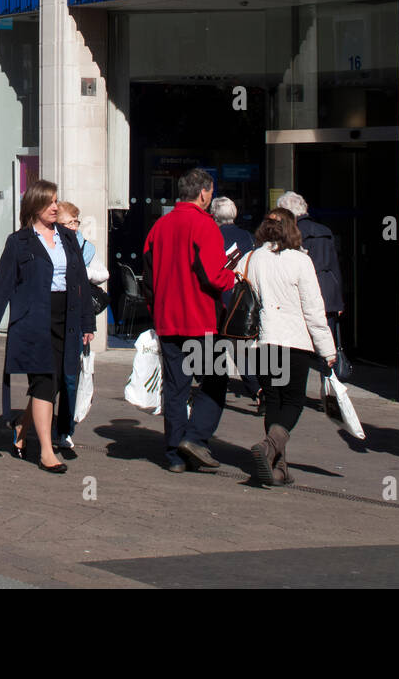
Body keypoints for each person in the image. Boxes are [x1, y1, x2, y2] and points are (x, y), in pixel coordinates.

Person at [0, 179, 95, 474]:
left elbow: (80, 282)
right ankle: (46, 451)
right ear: (34, 206)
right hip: (34, 321)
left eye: (57, 201)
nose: (55, 207)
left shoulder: (68, 238)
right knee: (44, 382)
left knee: (54, 383)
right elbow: (2, 286)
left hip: (65, 319)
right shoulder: (19, 242)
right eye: (50, 202)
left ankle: (21, 426)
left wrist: (87, 321)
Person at [141, 168, 238, 473]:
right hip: (200, 319)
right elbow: (213, 276)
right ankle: (195, 438)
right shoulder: (205, 225)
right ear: (203, 193)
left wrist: (155, 311)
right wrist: (232, 275)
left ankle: (174, 453)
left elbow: (148, 278)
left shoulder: (160, 226)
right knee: (214, 380)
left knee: (175, 387)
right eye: (210, 192)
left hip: (168, 319)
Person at [237, 209, 337, 486]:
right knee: (293, 402)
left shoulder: (251, 258)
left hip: (264, 341)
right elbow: (314, 309)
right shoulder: (300, 261)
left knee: (274, 401)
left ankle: (278, 468)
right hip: (294, 342)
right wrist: (328, 350)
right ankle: (270, 447)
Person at [55, 200, 105, 452]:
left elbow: (87, 289)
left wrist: (89, 325)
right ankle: (36, 423)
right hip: (53, 321)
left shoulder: (83, 248)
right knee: (49, 381)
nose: (74, 227)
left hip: (75, 322)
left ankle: (65, 429)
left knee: (71, 379)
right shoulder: (50, 247)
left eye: (76, 221)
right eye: (69, 222)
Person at [277, 191, 345, 354]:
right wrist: (339, 300)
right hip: (327, 293)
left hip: (302, 294)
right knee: (327, 345)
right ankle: (329, 378)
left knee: (300, 348)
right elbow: (335, 266)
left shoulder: (290, 234)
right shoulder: (325, 230)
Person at [212, 195, 261, 411]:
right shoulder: (249, 238)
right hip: (242, 300)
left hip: (218, 298)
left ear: (213, 215)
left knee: (213, 348)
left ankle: (213, 391)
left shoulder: (210, 236)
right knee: (240, 348)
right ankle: (258, 389)